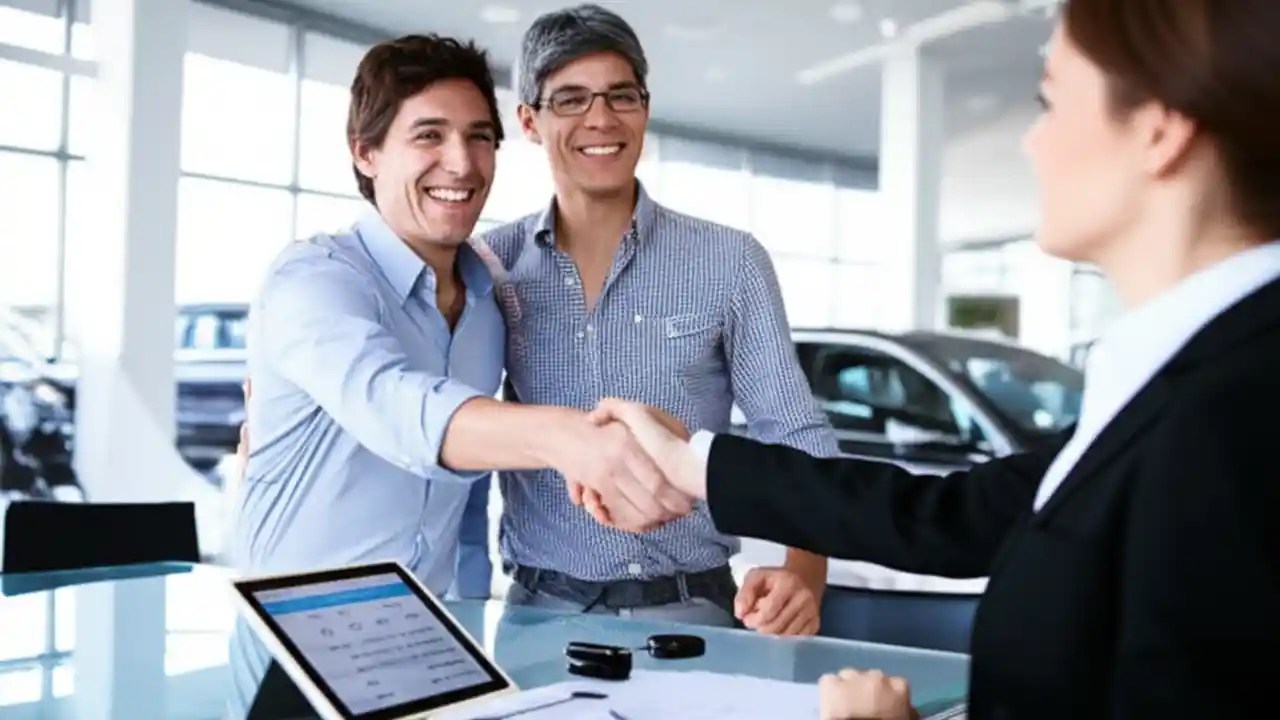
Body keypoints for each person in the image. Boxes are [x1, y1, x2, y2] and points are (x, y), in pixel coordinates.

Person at [588, 0, 1280, 716]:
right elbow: (951, 515)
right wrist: (691, 460)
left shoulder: (1236, 423)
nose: (1031, 144)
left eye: (1049, 101)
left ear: (1159, 131)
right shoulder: (1188, 380)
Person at [476, 3, 839, 634]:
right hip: (535, 613)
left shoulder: (731, 261)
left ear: (644, 108)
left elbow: (796, 435)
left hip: (693, 612)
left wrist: (804, 575)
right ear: (530, 121)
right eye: (571, 99)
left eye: (622, 96)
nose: (601, 118)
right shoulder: (491, 267)